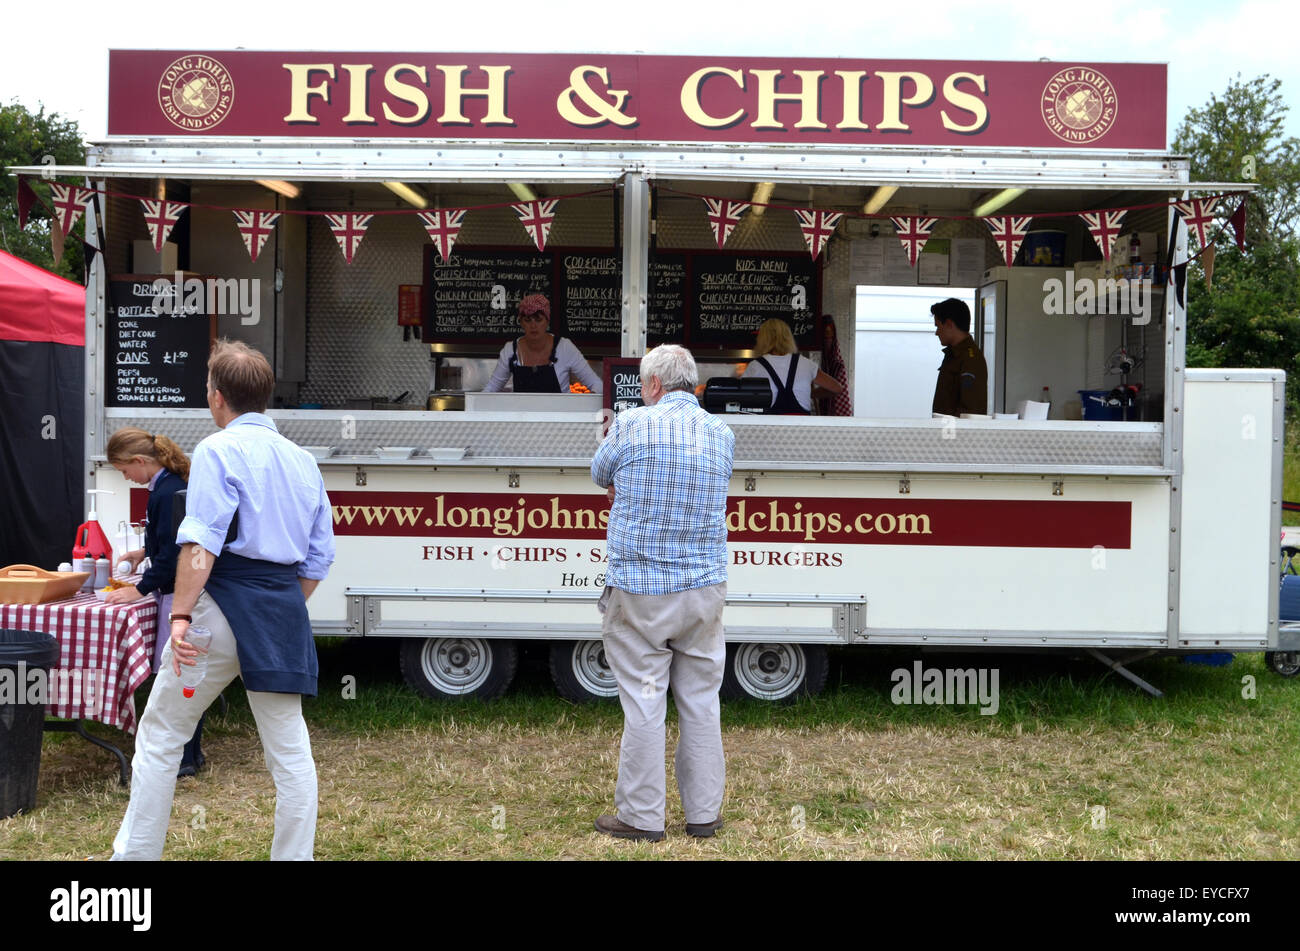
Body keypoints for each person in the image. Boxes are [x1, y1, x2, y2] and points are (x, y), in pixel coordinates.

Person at [111, 339, 335, 861]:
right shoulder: (304, 460)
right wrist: (277, 605)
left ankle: (134, 860)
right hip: (279, 609)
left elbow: (201, 542)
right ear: (265, 396)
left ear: (216, 397)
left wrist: (182, 615)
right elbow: (319, 558)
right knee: (289, 749)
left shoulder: (217, 449)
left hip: (221, 606)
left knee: (164, 732)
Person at [590, 344, 735, 842]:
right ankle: (703, 815)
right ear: (691, 384)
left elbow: (598, 473)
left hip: (641, 588)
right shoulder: (721, 432)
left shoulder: (630, 423)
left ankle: (641, 817)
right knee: (700, 700)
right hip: (703, 588)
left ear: (651, 385)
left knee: (645, 702)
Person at [105, 427, 206, 778]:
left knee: (176, 675)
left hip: (178, 591)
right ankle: (190, 752)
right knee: (185, 675)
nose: (125, 477)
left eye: (123, 470)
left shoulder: (165, 492)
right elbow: (169, 539)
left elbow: (175, 553)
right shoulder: (169, 484)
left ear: (139, 461)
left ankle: (184, 758)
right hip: (179, 587)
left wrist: (140, 589)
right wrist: (142, 551)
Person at [482, 292, 603, 394]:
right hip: (522, 419)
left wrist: (584, 407)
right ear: (521, 323)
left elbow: (597, 385)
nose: (533, 326)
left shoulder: (565, 348)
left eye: (539, 320)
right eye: (528, 320)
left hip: (560, 419)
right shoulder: (510, 350)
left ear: (547, 321)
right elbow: (491, 389)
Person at [742, 317, 843, 415]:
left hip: (771, 428)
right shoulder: (806, 363)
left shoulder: (755, 366)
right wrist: (811, 393)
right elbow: (836, 388)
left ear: (762, 340)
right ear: (788, 338)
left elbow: (742, 396)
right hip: (801, 428)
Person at [931, 297, 988, 416]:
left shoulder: (971, 359)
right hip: (946, 430)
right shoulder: (953, 355)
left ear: (949, 324)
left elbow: (971, 411)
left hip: (956, 432)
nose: (936, 332)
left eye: (938, 326)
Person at [818, 317, 853, 417]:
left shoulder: (837, 362)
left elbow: (840, 390)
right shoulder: (816, 355)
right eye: (825, 333)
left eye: (830, 333)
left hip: (831, 404)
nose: (828, 337)